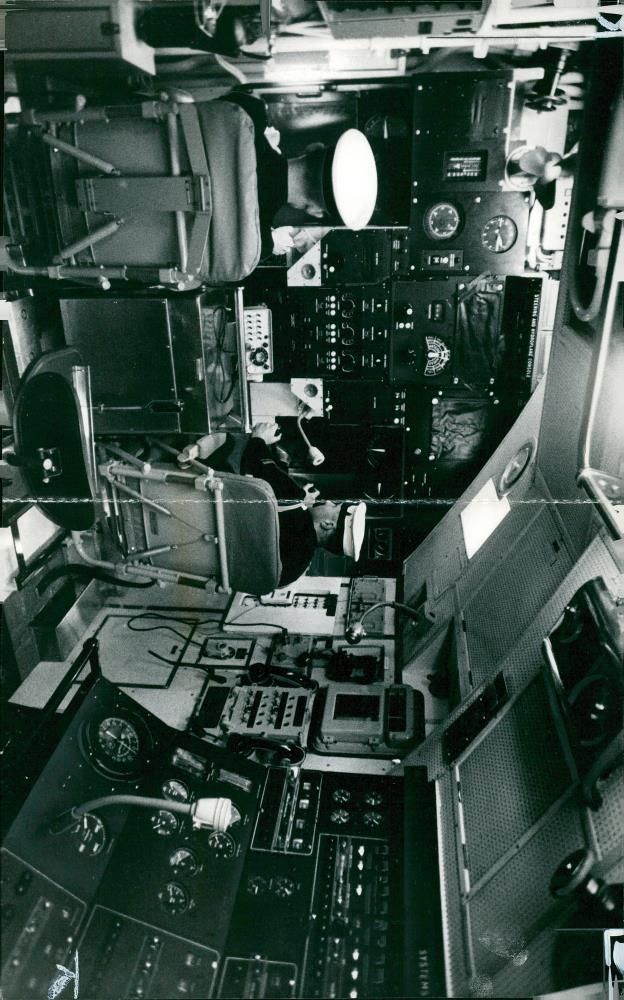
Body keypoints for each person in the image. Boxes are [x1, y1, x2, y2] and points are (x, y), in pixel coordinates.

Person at [241, 422, 366, 587]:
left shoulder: (293, 499)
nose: (328, 501)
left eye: (334, 506)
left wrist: (259, 438)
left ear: (327, 524)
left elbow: (254, 464)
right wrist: (284, 466)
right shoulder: (293, 572)